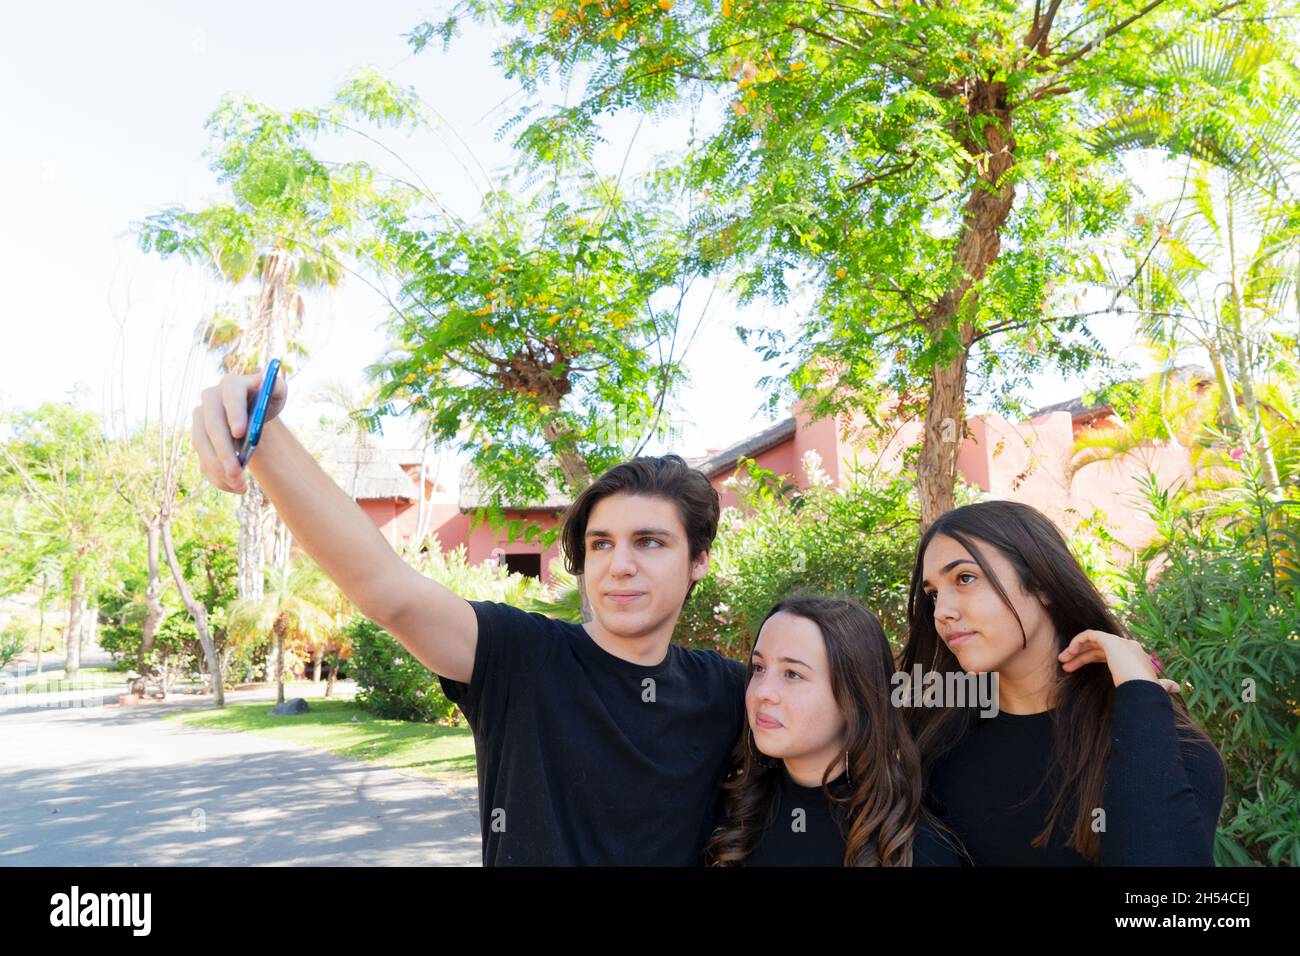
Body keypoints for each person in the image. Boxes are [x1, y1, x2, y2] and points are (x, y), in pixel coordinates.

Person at [192, 367, 744, 865]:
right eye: (601, 544)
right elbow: (389, 590)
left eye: (649, 542)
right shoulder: (519, 658)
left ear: (699, 560)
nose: (618, 566)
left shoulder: (731, 692)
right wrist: (259, 429)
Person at [899, 500, 1227, 866]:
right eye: (932, 594)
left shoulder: (1164, 744)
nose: (942, 611)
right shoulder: (930, 742)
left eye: (965, 578)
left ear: (1041, 584)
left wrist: (1140, 695)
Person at [705, 596, 965, 866]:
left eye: (792, 674)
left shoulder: (915, 850)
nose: (762, 692)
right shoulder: (728, 811)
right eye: (758, 668)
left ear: (855, 697)